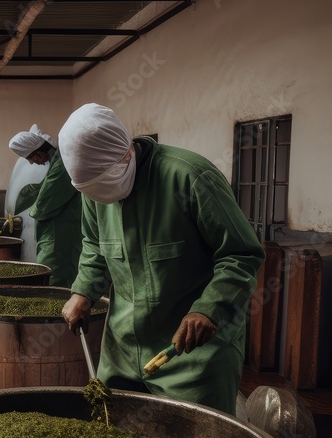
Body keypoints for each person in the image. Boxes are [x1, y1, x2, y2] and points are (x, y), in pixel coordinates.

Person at [58, 103, 263, 416]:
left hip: (193, 354)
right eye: (91, 190)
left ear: (126, 154)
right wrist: (82, 291)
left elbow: (240, 253)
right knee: (118, 433)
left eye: (104, 183)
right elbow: (95, 243)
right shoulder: (95, 194)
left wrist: (209, 310)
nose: (102, 197)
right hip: (124, 347)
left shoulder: (190, 177)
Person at [8, 124, 82, 287]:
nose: (33, 163)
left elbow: (44, 204)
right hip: (58, 229)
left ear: (39, 153)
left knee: (55, 274)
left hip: (61, 231)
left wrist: (21, 220)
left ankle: (60, 309)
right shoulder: (57, 162)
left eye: (31, 159)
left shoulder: (61, 166)